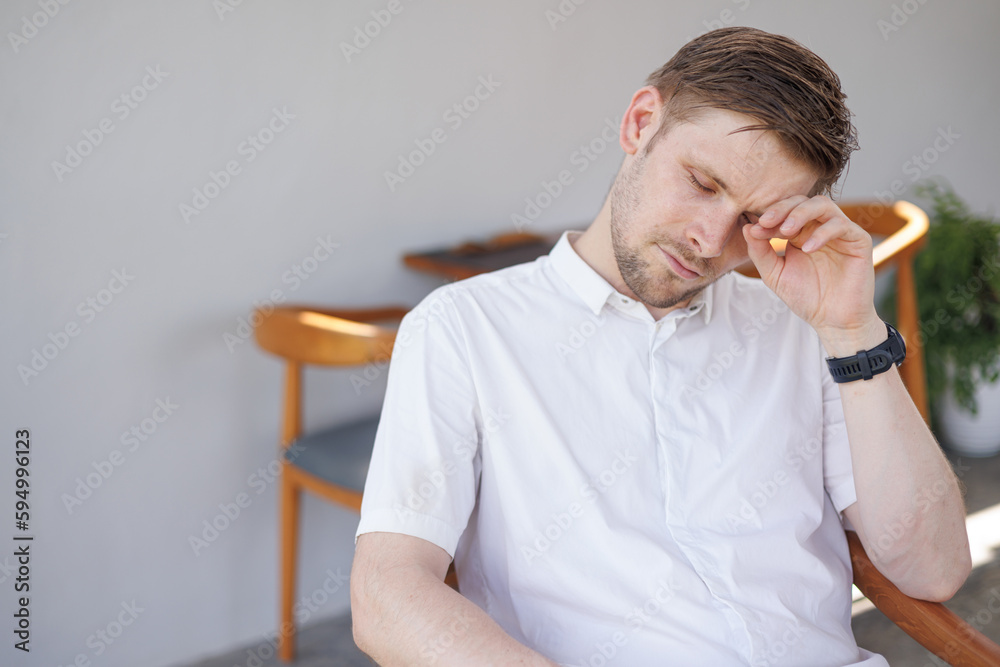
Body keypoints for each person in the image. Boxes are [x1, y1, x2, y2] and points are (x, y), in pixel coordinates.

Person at [350, 27, 971, 666]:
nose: (710, 240)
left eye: (753, 219)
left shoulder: (806, 331)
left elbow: (935, 569)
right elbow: (387, 594)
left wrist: (853, 332)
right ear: (641, 123)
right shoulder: (465, 328)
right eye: (702, 183)